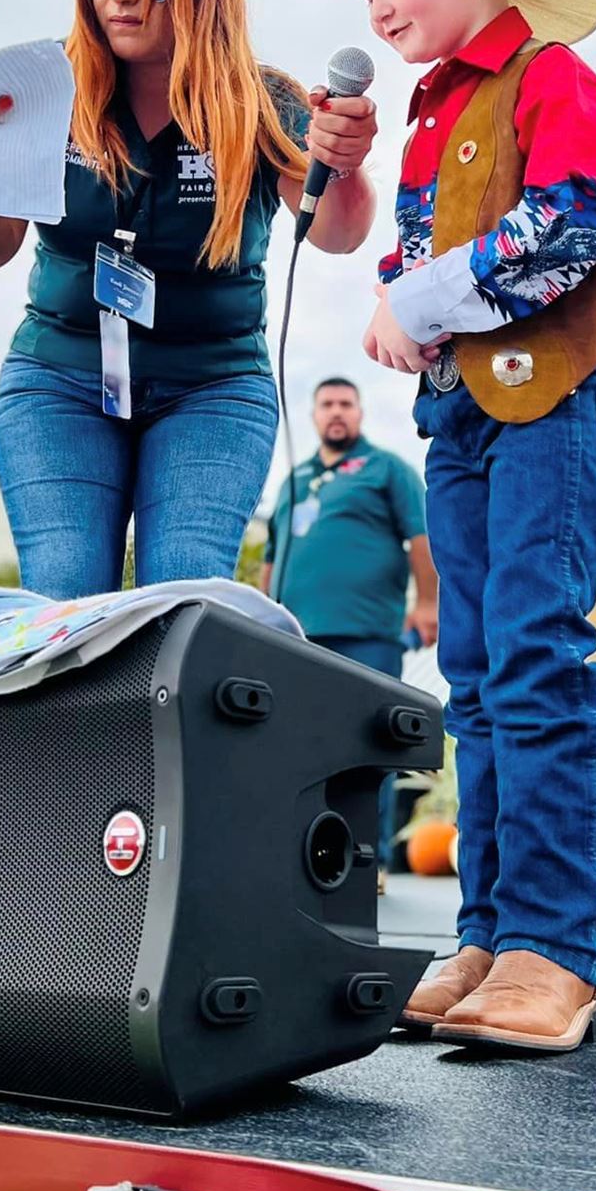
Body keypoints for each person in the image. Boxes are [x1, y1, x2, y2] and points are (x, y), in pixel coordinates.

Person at [241, 0, 596, 1054]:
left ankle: (557, 948)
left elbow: (590, 223)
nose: (377, 3)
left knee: (534, 656)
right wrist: (414, 310)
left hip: (549, 405)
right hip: (462, 416)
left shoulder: (552, 78)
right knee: (472, 674)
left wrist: (418, 303)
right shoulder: (428, 116)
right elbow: (427, 257)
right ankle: (490, 927)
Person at [0, 0, 377, 597]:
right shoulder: (46, 86)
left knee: (183, 596)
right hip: (59, 376)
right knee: (63, 600)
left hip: (212, 384)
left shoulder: (267, 101)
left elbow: (337, 233)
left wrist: (347, 164)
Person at [260, 375, 438, 885]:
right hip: (296, 636)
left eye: (346, 404)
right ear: (314, 415)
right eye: (327, 404)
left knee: (366, 745)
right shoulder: (294, 480)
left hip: (369, 632)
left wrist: (428, 604)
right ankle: (299, 860)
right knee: (296, 748)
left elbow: (422, 538)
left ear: (359, 413)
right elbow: (272, 559)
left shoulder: (386, 470)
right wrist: (260, 617)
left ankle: (366, 862)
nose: (336, 412)